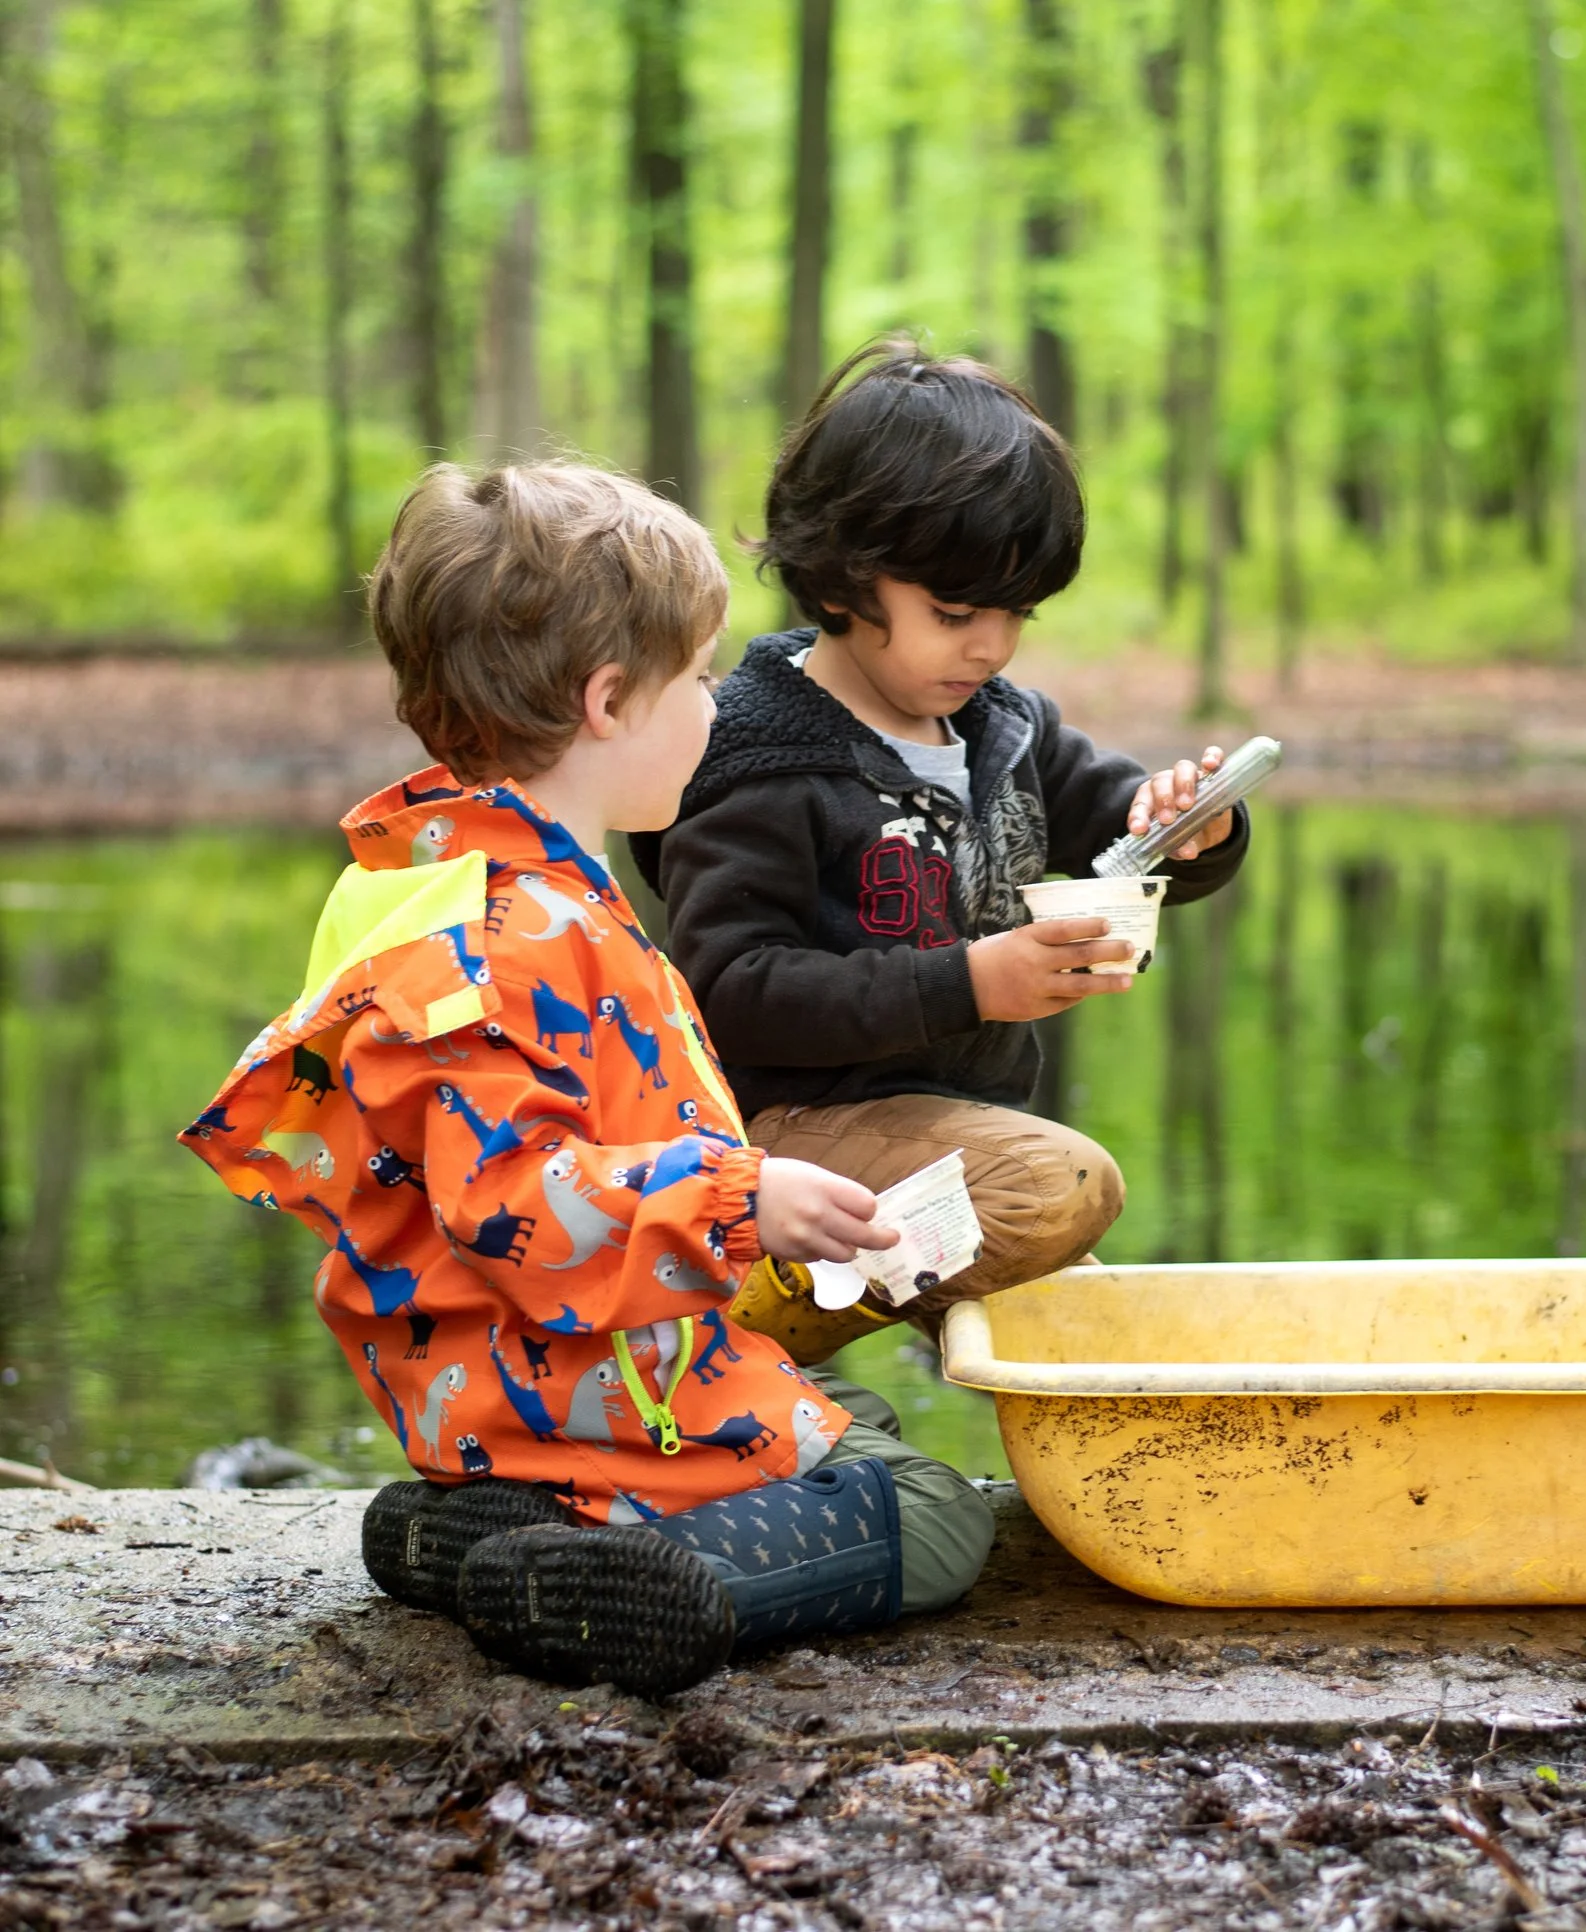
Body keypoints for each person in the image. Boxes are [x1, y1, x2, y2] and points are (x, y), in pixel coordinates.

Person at [180, 463, 997, 1698]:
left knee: (850, 1413)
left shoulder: (446, 879)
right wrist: (739, 1199)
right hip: (561, 1375)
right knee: (934, 1512)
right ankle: (629, 1573)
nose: (717, 705)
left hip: (488, 1383)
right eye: (701, 677)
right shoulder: (507, 945)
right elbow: (517, 1203)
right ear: (608, 701)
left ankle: (471, 1528)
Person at [631, 336, 1251, 1371]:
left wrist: (1188, 828)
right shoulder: (756, 756)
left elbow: (1116, 824)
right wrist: (969, 982)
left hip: (954, 1132)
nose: (991, 646)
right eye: (955, 614)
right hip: (786, 1134)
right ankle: (742, 1324)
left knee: (1089, 1340)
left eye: (1016, 614)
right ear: (841, 580)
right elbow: (729, 990)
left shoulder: (1001, 726)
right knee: (1056, 1192)